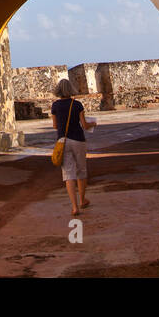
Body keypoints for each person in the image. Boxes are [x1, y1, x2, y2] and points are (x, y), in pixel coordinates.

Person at [50, 78, 95, 215]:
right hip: (78, 140)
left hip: (63, 141)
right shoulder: (77, 105)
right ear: (71, 90)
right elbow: (85, 125)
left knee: (68, 174)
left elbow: (55, 126)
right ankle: (82, 200)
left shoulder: (55, 106)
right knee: (81, 170)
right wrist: (93, 124)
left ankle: (74, 207)